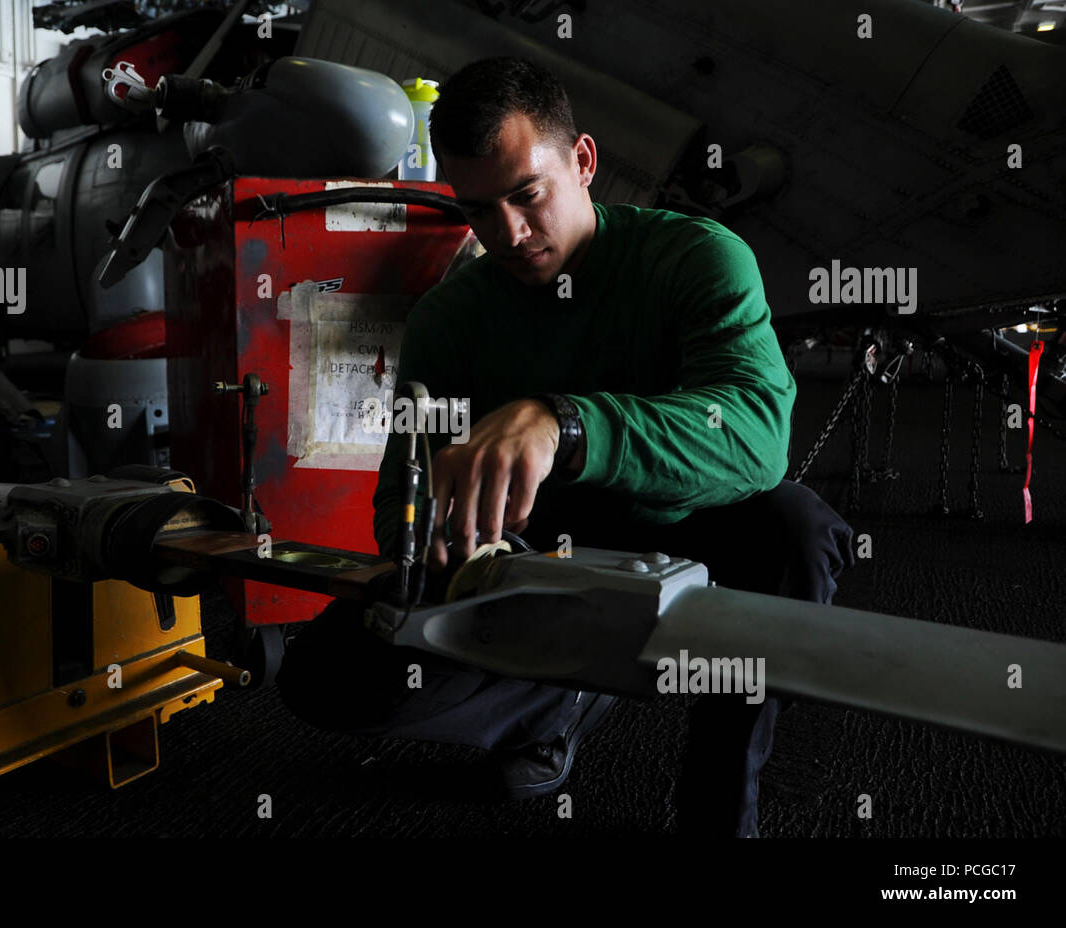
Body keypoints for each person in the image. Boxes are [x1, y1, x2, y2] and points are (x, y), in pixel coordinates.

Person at [276, 56, 854, 837]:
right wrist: (439, 541)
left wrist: (566, 423)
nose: (507, 235)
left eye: (527, 195)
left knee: (796, 530)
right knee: (326, 678)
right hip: (538, 553)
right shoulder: (450, 320)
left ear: (583, 162)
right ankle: (557, 704)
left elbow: (755, 435)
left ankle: (720, 814)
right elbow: (397, 504)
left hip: (685, 521)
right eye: (478, 210)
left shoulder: (697, 258)